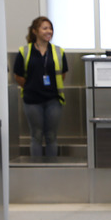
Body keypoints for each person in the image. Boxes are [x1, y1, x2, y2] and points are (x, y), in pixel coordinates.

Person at [13, 16, 68, 158]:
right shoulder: (24, 51)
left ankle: (52, 169)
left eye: (50, 28)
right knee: (36, 135)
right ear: (35, 31)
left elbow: (63, 74)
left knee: (51, 136)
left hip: (53, 100)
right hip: (32, 101)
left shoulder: (58, 51)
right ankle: (36, 169)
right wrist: (32, 86)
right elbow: (18, 76)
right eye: (45, 28)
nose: (49, 31)